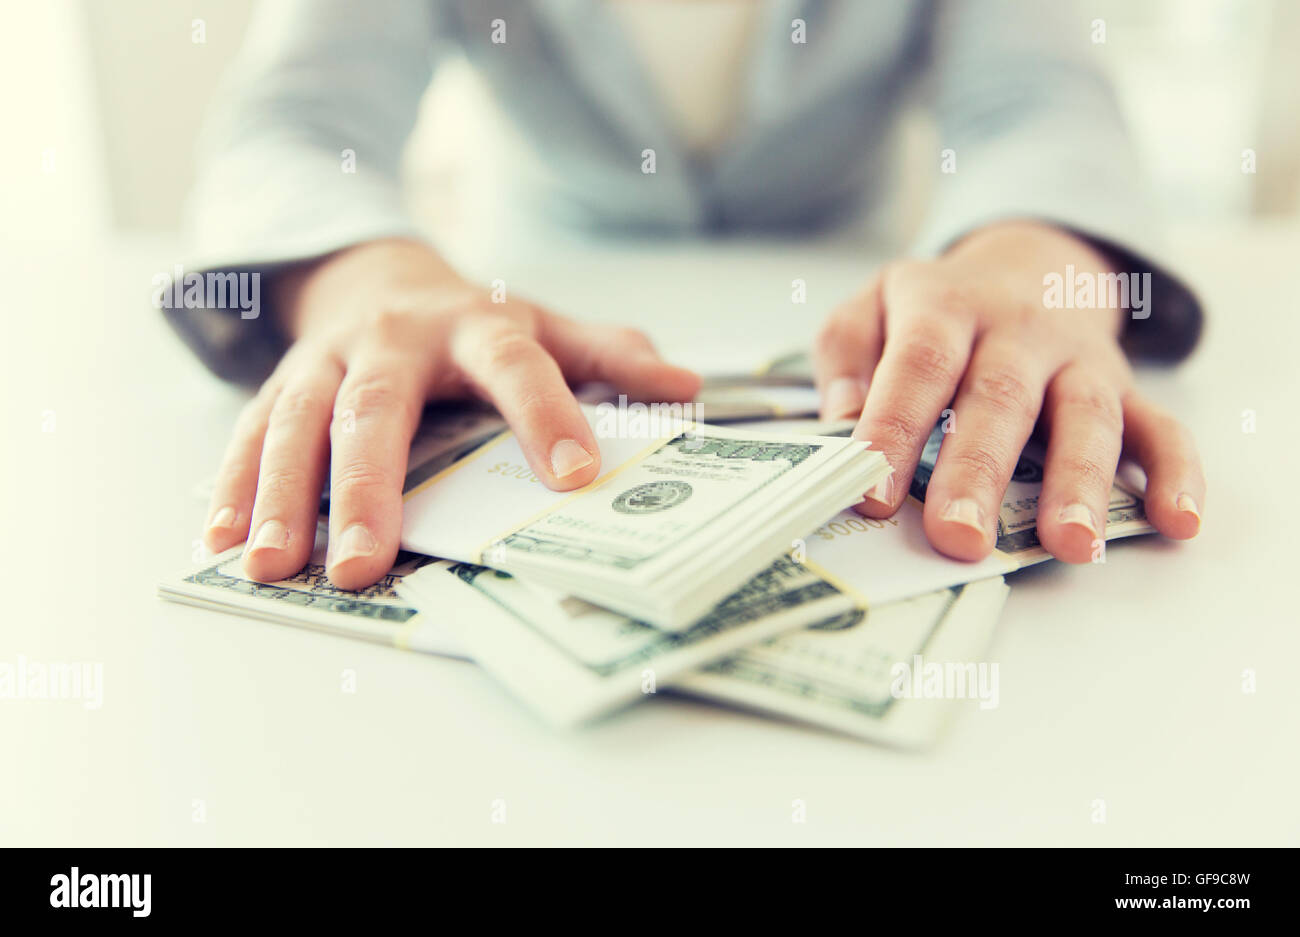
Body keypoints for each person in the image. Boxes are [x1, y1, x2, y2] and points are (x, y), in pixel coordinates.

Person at [166, 0, 1205, 592]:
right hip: (530, 315)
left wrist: (1039, 253)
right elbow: (292, 124)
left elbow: (1042, 97)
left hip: (852, 310)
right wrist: (365, 279)